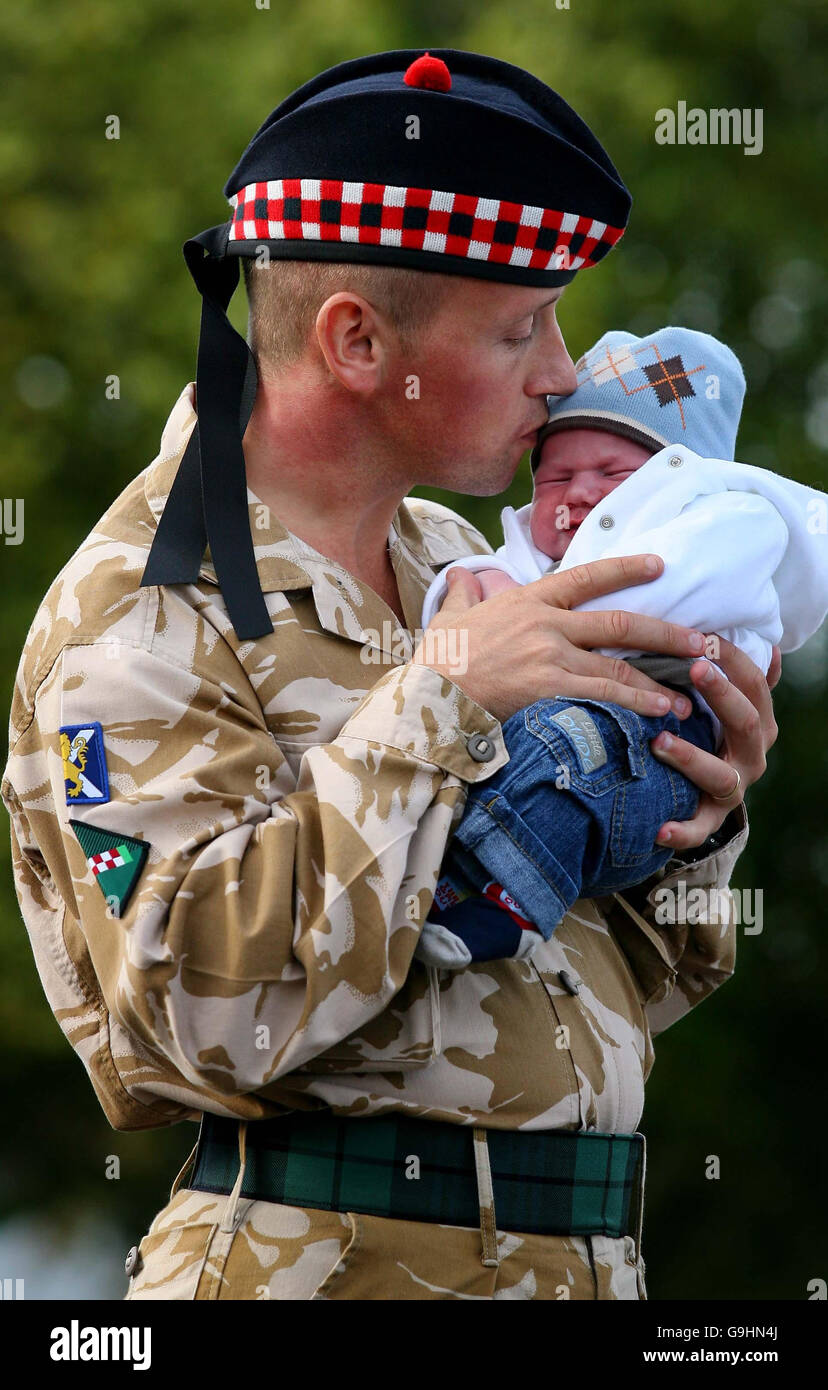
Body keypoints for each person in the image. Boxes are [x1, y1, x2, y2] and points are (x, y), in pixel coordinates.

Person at [0, 49, 779, 1302]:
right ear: (358, 340)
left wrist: (696, 812)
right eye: (524, 325)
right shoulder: (137, 610)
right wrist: (444, 699)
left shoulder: (463, 562)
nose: (563, 373)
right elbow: (199, 1022)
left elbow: (621, 988)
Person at [416, 326, 827, 968]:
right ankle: (460, 883)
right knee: (539, 755)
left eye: (612, 474)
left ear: (678, 486)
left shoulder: (731, 527)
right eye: (555, 477)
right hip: (571, 721)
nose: (578, 493)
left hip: (662, 725)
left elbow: (670, 592)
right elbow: (475, 593)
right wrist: (476, 587)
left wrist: (534, 622)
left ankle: (510, 901)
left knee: (574, 752)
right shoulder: (519, 549)